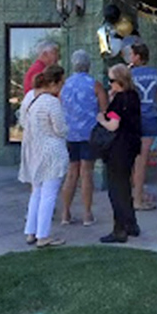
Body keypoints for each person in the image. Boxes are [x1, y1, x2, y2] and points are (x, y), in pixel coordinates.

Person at [18, 64, 69, 248]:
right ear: (55, 82)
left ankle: (31, 231)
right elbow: (61, 129)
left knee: (37, 193)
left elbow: (23, 122)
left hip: (35, 151)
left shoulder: (32, 99)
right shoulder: (52, 102)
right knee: (49, 194)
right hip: (52, 152)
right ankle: (43, 235)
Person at [59, 49, 108, 226]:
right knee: (86, 173)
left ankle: (65, 213)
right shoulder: (95, 85)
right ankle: (87, 214)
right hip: (89, 134)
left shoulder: (65, 86)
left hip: (70, 134)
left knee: (71, 173)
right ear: (88, 65)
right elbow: (104, 109)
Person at [96, 63, 141, 243]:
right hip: (131, 147)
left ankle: (119, 229)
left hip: (118, 149)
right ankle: (131, 224)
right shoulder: (133, 96)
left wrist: (101, 119)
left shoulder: (119, 100)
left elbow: (113, 125)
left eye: (112, 80)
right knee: (125, 186)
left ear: (119, 81)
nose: (110, 84)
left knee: (116, 190)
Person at [129, 42, 157, 210]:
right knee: (142, 159)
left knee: (137, 159)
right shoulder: (156, 73)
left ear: (137, 56)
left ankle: (137, 196)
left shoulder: (130, 74)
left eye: (132, 54)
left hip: (134, 119)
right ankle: (138, 198)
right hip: (150, 117)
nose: (130, 57)